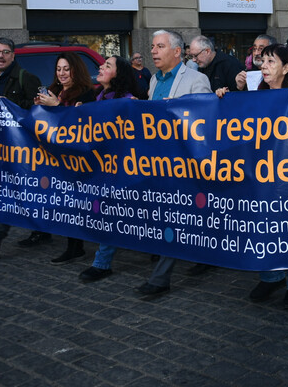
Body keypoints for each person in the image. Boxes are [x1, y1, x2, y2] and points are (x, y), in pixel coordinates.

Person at [217, 44, 288, 309]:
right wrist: (225, 96)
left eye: (271, 61)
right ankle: (270, 276)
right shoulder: (252, 95)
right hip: (261, 176)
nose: (265, 66)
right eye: (262, 61)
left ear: (285, 68)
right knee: (262, 227)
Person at [135, 30, 212, 297]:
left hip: (184, 166)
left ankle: (160, 279)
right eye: (153, 46)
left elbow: (204, 124)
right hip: (157, 162)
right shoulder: (155, 80)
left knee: (174, 217)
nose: (153, 51)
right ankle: (204, 253)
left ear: (177, 52)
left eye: (160, 46)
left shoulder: (196, 80)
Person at [0, 37, 42, 259]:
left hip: (25, 148)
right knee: (23, 192)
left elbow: (38, 109)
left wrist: (11, 106)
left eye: (4, 52)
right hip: (5, 147)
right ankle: (42, 230)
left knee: (11, 192)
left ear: (13, 55)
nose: (0, 56)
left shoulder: (27, 78)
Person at [78, 56, 140, 283]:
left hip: (123, 169)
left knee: (110, 213)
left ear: (118, 74)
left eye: (107, 65)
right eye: (102, 64)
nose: (101, 67)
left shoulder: (128, 101)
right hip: (104, 167)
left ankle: (101, 263)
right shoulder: (98, 97)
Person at [34, 53, 98, 264]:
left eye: (66, 69)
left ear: (76, 70)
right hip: (55, 157)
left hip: (76, 158)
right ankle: (73, 243)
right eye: (58, 69)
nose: (61, 73)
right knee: (64, 202)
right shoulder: (53, 90)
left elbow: (79, 127)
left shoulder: (87, 94)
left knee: (76, 203)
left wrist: (58, 108)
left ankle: (76, 246)